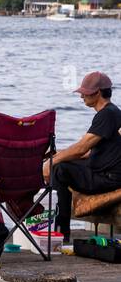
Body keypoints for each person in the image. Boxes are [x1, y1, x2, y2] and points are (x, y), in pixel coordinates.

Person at [44, 71, 121, 246]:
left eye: (85, 93)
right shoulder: (112, 112)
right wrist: (59, 155)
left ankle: (61, 232)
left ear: (99, 92)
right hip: (106, 172)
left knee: (59, 170)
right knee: (63, 162)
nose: (82, 97)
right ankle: (56, 226)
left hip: (108, 179)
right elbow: (91, 150)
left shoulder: (107, 114)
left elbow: (81, 148)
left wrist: (51, 162)